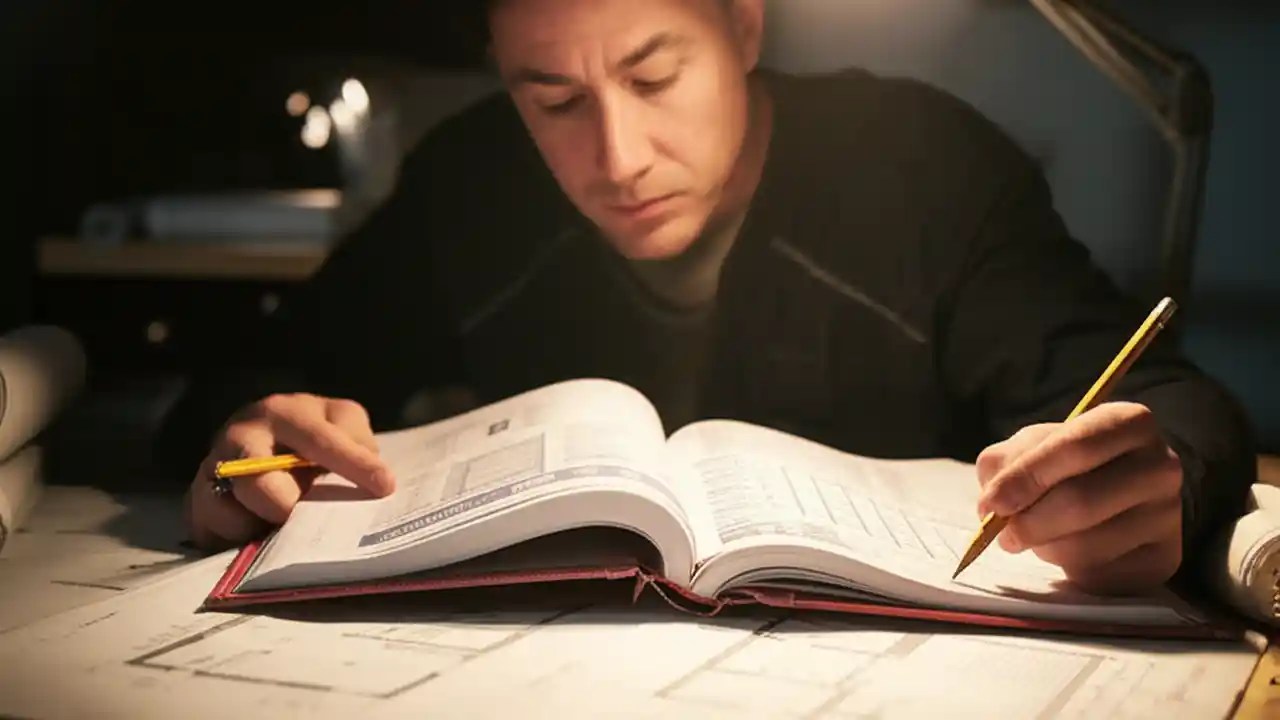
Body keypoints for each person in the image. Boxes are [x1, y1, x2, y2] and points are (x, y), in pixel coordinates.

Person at [169, 0, 1256, 595]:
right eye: (550, 99)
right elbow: (261, 377)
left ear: (744, 26)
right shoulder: (470, 185)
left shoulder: (922, 167)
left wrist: (1159, 471)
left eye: (653, 77)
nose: (616, 157)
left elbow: (1163, 398)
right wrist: (248, 433)